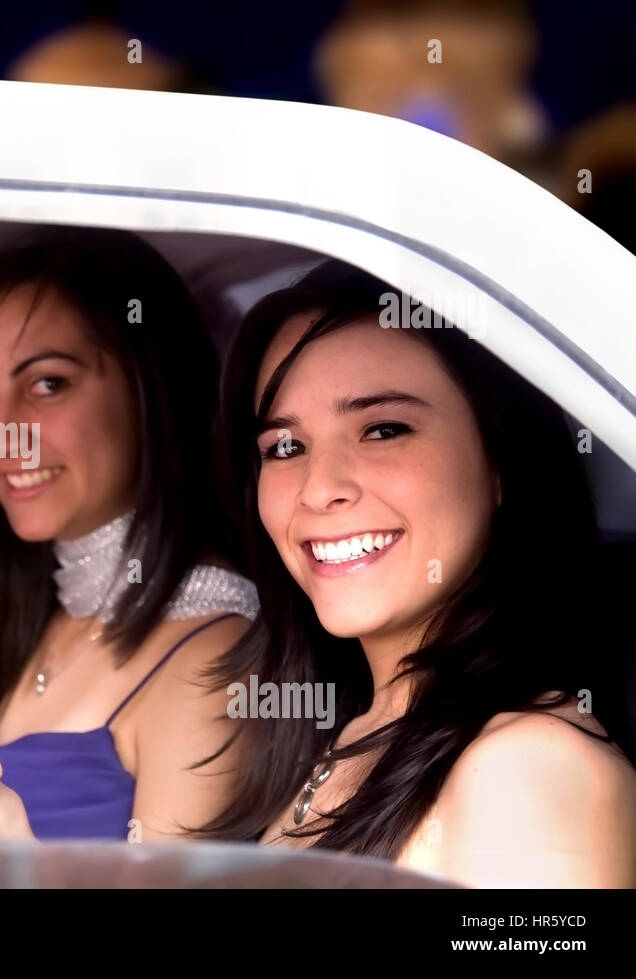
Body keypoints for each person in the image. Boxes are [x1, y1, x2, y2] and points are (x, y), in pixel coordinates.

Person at [201, 260, 636, 886]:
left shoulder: (528, 768)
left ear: (500, 461)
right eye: (285, 447)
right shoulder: (340, 730)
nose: (318, 489)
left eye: (383, 430)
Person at [0, 227, 257, 841]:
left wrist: (13, 863)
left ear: (148, 388)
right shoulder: (9, 620)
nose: (1, 433)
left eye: (47, 384)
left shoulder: (217, 661)